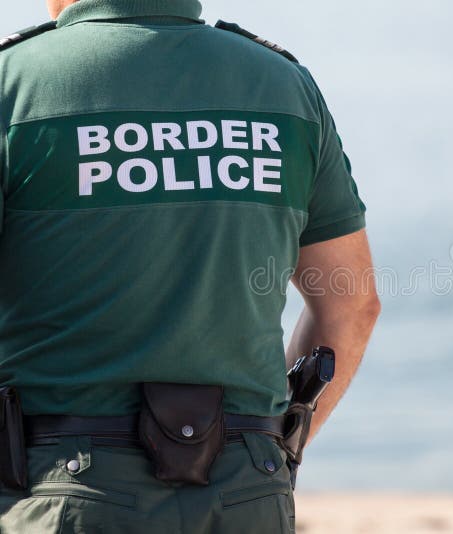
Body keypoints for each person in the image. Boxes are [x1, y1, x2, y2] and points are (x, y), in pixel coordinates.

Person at [0, 0, 380, 532]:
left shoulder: (14, 82)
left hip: (64, 490)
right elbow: (351, 304)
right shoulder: (283, 86)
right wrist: (273, 447)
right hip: (249, 489)